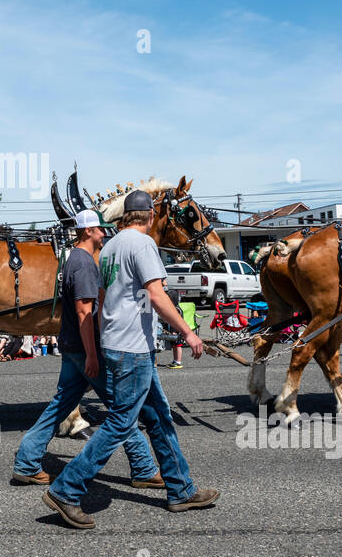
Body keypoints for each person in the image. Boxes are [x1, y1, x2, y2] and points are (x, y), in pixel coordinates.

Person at [41, 189, 220, 530]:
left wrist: (99, 345)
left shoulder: (109, 247)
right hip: (132, 349)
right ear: (151, 217)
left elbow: (103, 299)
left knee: (159, 417)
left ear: (125, 217)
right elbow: (157, 295)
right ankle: (66, 489)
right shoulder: (143, 244)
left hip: (119, 344)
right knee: (121, 422)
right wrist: (188, 331)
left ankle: (180, 490)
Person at [12, 209, 161, 488]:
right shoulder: (83, 263)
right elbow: (84, 313)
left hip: (71, 346)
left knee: (61, 406)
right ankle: (143, 468)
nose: (104, 233)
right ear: (88, 232)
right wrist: (93, 354)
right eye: (100, 229)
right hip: (83, 349)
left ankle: (26, 462)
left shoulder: (75, 259)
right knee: (122, 408)